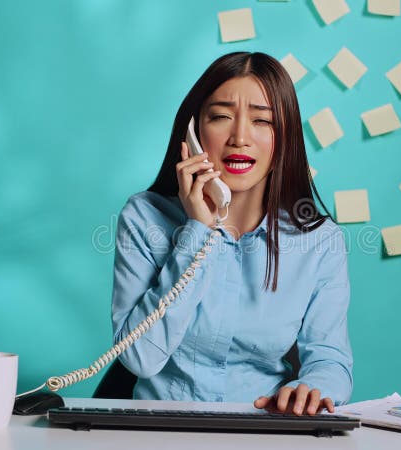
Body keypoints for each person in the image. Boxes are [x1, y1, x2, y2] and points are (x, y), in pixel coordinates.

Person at [111, 51, 353, 416]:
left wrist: (312, 388)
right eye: (221, 117)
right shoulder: (144, 217)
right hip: (162, 431)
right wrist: (197, 231)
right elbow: (140, 358)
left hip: (265, 431)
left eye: (262, 121)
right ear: (192, 133)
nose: (240, 138)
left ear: (284, 137)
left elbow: (330, 357)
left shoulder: (319, 240)